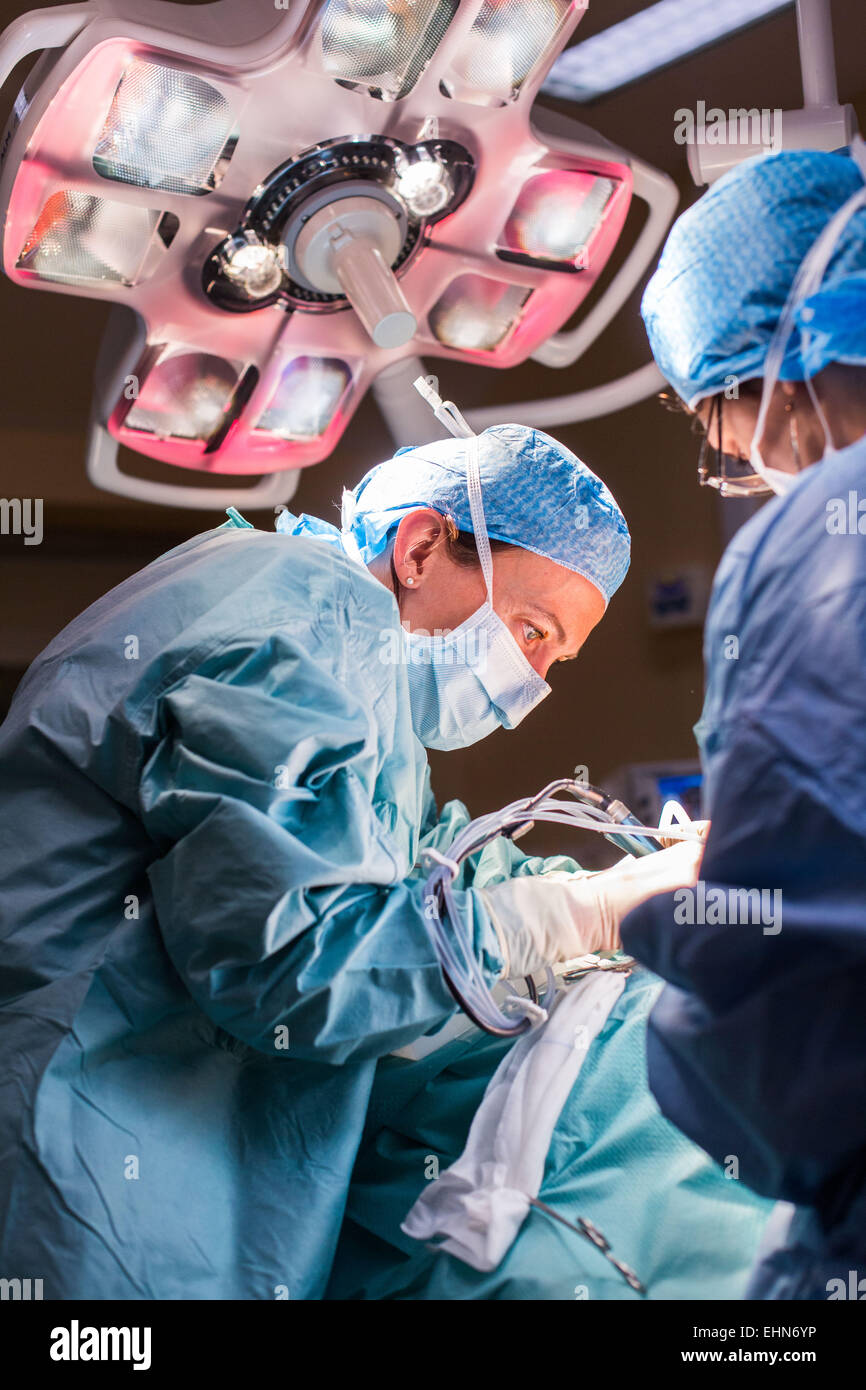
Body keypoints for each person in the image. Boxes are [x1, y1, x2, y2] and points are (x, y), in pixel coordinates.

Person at [0, 419, 718, 1299]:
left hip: (155, 1166)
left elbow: (417, 870)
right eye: (532, 630)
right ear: (421, 546)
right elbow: (302, 967)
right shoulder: (287, 628)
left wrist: (620, 882)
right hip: (88, 1176)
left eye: (555, 661)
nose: (530, 685)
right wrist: (591, 914)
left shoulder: (334, 655)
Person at [620, 143, 866, 1299]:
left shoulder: (833, 527)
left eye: (726, 430)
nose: (749, 468)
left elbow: (792, 1031)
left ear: (781, 362)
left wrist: (665, 919)